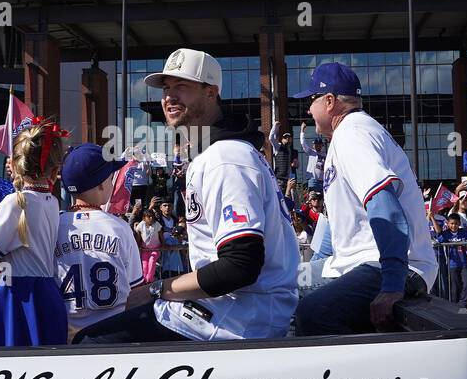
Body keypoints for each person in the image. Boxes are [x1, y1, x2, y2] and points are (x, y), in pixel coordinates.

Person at [77, 48, 299, 343]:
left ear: (211, 92)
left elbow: (240, 267)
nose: (169, 97)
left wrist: (156, 289)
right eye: (166, 88)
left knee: (91, 344)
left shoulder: (225, 159)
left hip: (237, 320)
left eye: (182, 86)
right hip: (231, 311)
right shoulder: (220, 153)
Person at [293, 62, 436, 335]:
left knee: (311, 312)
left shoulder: (353, 134)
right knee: (280, 284)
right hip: (362, 263)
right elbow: (334, 230)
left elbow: (385, 206)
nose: (308, 109)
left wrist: (393, 284)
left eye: (311, 100)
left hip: (392, 267)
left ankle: (343, 378)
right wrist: (310, 271)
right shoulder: (348, 135)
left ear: (330, 101)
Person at [0, 119, 69, 347]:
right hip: (48, 294)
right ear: (55, 170)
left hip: (18, 296)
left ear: (13, 165)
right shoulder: (52, 202)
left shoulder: (15, 203)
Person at [55, 143, 145, 334]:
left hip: (64, 333)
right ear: (101, 184)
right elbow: (135, 290)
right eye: (110, 178)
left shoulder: (53, 226)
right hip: (113, 333)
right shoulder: (119, 226)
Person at [434, 212, 467, 310]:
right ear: (448, 223)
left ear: (459, 223)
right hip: (452, 264)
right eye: (451, 223)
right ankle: (454, 307)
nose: (454, 226)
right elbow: (438, 238)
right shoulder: (445, 234)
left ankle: (462, 305)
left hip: (464, 263)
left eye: (456, 223)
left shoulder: (463, 232)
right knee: (455, 287)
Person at [133, 208, 162, 283]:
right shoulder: (141, 225)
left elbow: (161, 236)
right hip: (144, 249)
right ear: (144, 218)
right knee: (145, 265)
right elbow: (139, 236)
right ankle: (145, 281)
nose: (151, 218)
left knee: (152, 261)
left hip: (156, 249)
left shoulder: (157, 224)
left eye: (152, 216)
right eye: (148, 217)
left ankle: (149, 280)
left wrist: (164, 245)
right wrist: (137, 246)